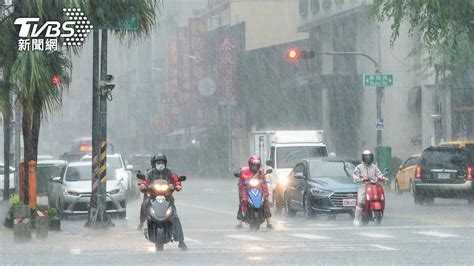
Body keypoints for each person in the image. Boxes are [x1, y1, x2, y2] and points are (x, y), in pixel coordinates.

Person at [137, 153, 188, 251]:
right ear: (155, 163)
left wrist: (177, 185)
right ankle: (144, 222)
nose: (160, 164)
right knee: (144, 205)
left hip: (167, 198)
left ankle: (181, 241)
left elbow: (176, 179)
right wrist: (143, 186)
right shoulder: (150, 173)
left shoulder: (169, 172)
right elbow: (145, 181)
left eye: (162, 162)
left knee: (175, 217)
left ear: (165, 163)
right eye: (158, 162)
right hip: (153, 198)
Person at [235, 155, 273, 229]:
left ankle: (269, 222)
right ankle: (239, 222)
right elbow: (241, 181)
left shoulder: (261, 173)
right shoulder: (244, 172)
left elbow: (264, 183)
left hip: (258, 190)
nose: (255, 167)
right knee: (242, 202)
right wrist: (242, 183)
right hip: (246, 190)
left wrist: (266, 194)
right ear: (250, 164)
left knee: (265, 203)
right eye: (254, 165)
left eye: (257, 165)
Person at [352, 150, 384, 227]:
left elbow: (379, 174)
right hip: (363, 186)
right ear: (363, 158)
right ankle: (356, 219)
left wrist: (383, 178)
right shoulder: (359, 167)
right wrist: (359, 178)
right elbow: (355, 175)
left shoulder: (374, 167)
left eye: (369, 157)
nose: (368, 158)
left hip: (374, 185)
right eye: (366, 157)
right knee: (361, 201)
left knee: (380, 196)